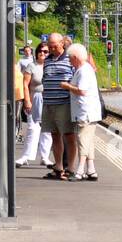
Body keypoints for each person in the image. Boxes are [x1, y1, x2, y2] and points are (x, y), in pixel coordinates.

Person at [38, 33, 77, 179]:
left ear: (62, 43)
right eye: (50, 46)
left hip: (64, 103)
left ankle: (70, 168)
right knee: (54, 135)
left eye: (54, 46)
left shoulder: (69, 59)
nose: (52, 49)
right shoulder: (47, 60)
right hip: (48, 103)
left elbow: (76, 78)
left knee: (69, 135)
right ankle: (58, 166)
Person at [62, 42, 102, 181]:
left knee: (82, 140)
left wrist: (67, 86)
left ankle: (79, 171)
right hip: (88, 111)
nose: (69, 61)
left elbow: (82, 91)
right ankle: (91, 170)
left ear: (75, 57)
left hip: (85, 112)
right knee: (88, 141)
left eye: (70, 58)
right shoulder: (85, 69)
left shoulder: (83, 71)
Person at [16, 42, 53, 167]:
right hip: (35, 97)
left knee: (47, 129)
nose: (42, 53)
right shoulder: (32, 66)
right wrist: (27, 100)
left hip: (49, 98)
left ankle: (45, 157)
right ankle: (26, 156)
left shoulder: (51, 66)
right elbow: (25, 84)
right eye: (40, 51)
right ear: (36, 53)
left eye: (45, 51)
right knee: (32, 127)